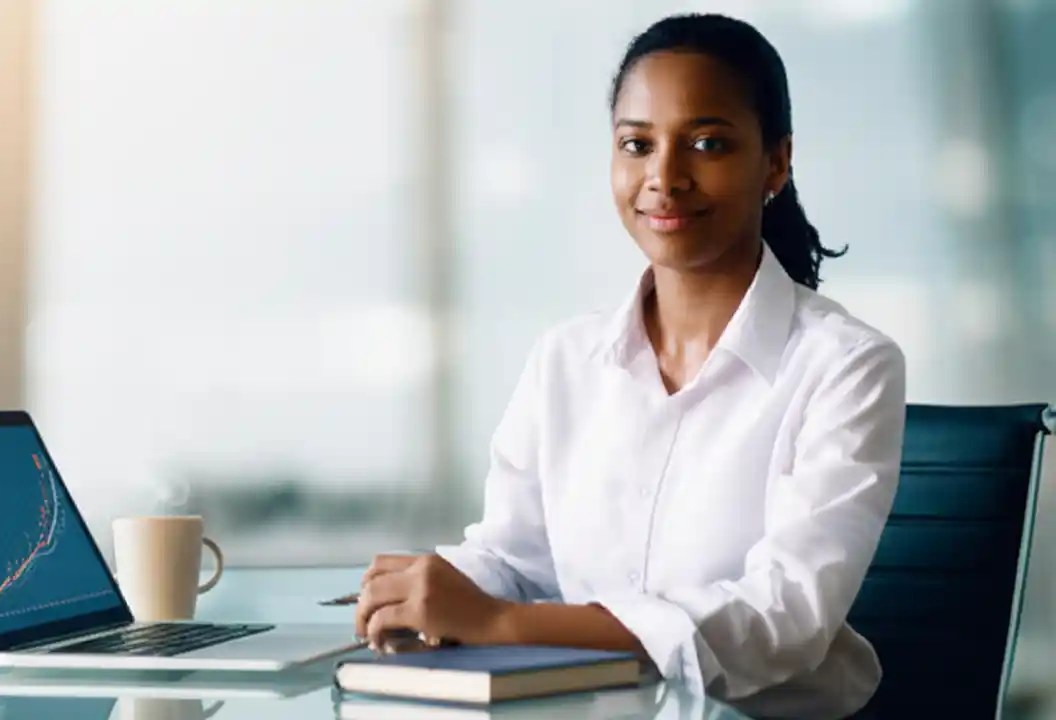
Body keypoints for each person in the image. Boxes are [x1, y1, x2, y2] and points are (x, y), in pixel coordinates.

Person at [354, 13, 905, 719]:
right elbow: (517, 560)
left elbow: (784, 619)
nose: (664, 177)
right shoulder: (565, 360)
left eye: (707, 143)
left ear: (776, 161)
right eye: (637, 144)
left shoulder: (847, 365)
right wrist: (429, 591)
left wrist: (499, 626)